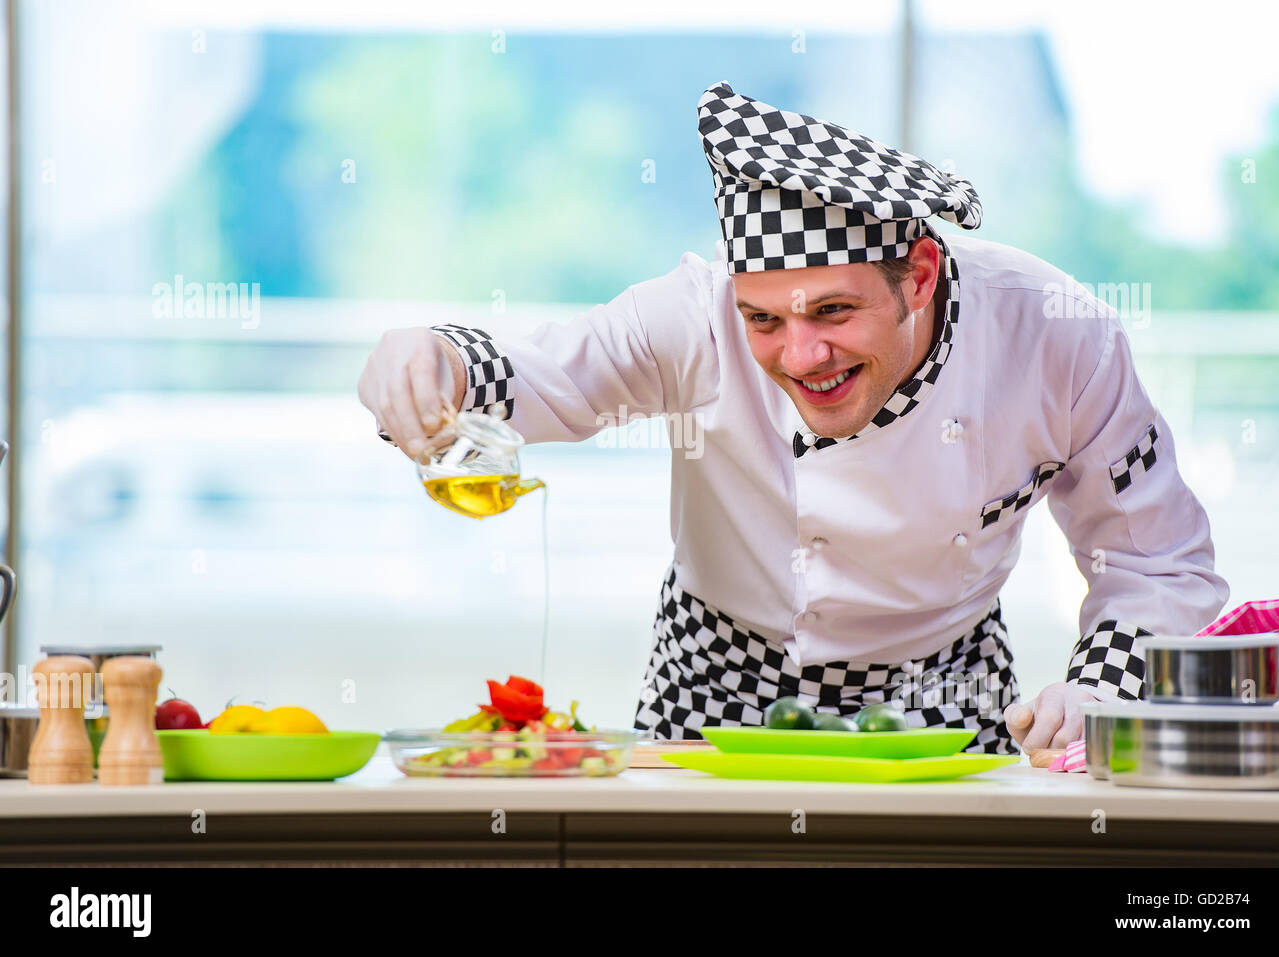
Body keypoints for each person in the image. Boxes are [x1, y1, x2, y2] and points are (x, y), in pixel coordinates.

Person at [357, 82, 1228, 753]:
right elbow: (538, 374)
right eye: (765, 319)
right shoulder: (692, 315)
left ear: (919, 274)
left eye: (834, 314)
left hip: (949, 692)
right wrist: (433, 358)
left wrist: (1103, 689)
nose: (800, 356)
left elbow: (1154, 557)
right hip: (714, 684)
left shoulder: (1054, 334)